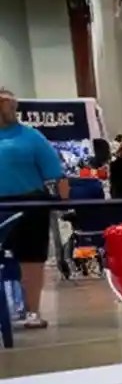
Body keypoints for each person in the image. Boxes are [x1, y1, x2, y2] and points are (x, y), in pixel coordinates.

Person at [0, 87, 68, 329]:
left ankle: (32, 311)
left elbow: (56, 174)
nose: (6, 107)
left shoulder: (32, 137)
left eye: (9, 103)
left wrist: (64, 204)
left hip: (29, 205)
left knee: (31, 260)